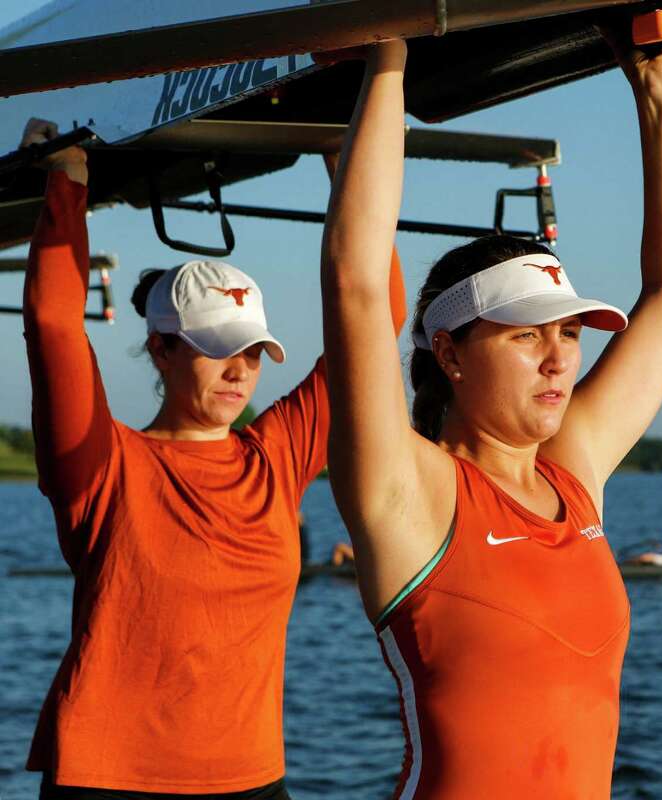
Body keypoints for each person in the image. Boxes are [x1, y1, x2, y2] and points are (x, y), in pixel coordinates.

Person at [319, 29, 662, 799]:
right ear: (450, 352)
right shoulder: (409, 493)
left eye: (568, 332)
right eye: (527, 335)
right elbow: (356, 283)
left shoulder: (576, 471)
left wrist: (659, 89)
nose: (561, 358)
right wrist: (388, 54)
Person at [19, 117, 404, 798]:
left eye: (253, 351)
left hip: (253, 780)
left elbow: (378, 315)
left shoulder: (279, 456)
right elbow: (54, 323)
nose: (240, 370)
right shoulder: (101, 466)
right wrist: (67, 179)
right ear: (161, 348)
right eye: (216, 348)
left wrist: (344, 159)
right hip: (107, 781)